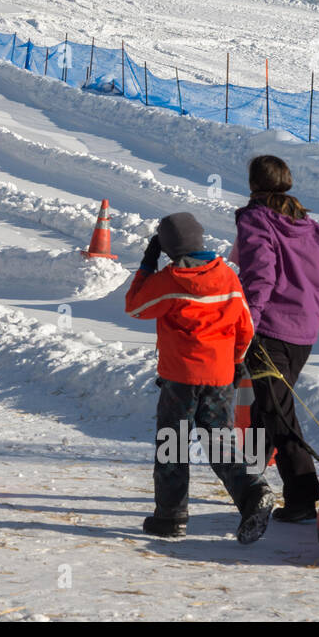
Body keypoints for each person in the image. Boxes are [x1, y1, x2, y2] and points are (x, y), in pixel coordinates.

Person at [126, 212, 275, 544]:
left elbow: (135, 307)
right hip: (221, 376)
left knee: (172, 444)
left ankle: (170, 516)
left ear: (166, 248)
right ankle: (253, 492)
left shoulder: (170, 279)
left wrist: (146, 266)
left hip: (180, 377)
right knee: (219, 441)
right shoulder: (227, 276)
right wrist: (235, 362)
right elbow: (246, 327)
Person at [233, 155, 319, 523]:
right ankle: (249, 480)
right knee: (264, 407)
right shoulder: (308, 225)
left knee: (277, 413)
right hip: (302, 335)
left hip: (268, 333)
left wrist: (247, 330)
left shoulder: (255, 219)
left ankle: (302, 498)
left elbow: (260, 279)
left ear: (253, 182)